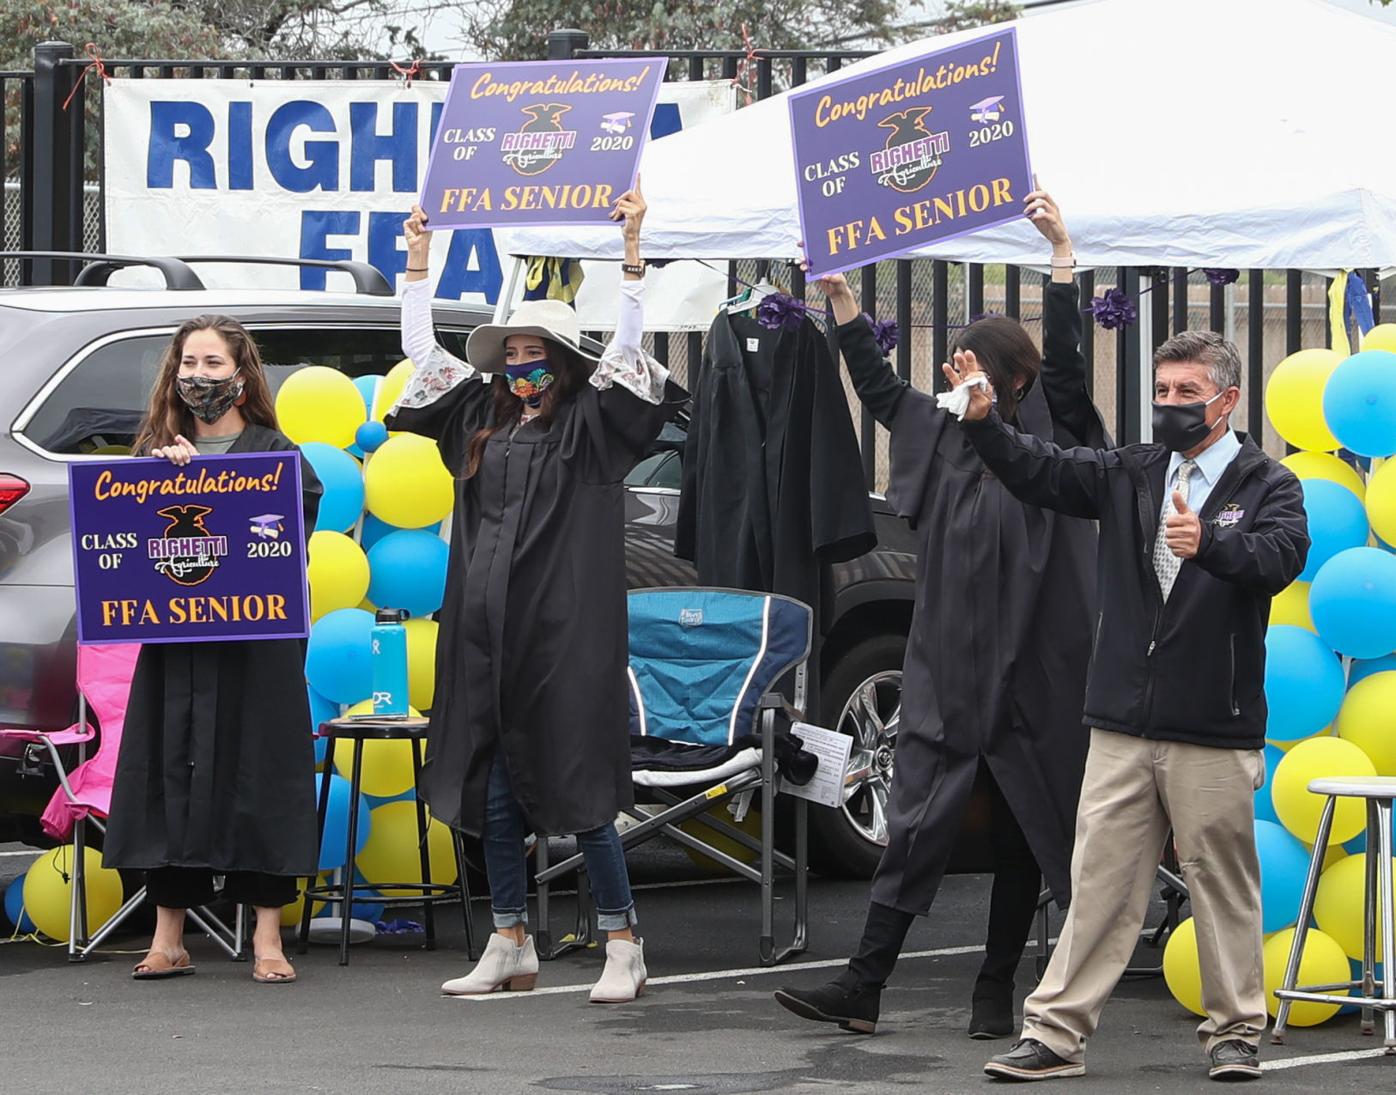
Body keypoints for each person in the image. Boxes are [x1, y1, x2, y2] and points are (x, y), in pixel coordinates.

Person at [774, 189, 1104, 1039]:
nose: (955, 380)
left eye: (972, 367)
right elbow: (880, 387)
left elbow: (1066, 368)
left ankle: (998, 988)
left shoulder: (1054, 433)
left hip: (1038, 659)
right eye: (950, 368)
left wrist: (1061, 261)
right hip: (950, 658)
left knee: (1030, 821)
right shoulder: (940, 433)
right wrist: (843, 299)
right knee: (916, 812)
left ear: (1013, 377)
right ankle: (864, 981)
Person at [956, 331, 1309, 1082]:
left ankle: (1235, 1031)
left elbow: (1280, 558)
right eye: (1162, 391)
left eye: (1187, 392)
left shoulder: (1268, 483)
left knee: (1222, 880)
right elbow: (1042, 471)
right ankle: (1054, 1033)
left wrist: (1209, 539)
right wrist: (987, 422)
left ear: (1228, 400)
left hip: (1212, 724)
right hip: (1121, 719)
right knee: (1099, 881)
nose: (1170, 405)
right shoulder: (1132, 470)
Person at [385, 186, 672, 1003]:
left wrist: (630, 256)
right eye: (508, 354)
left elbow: (627, 345)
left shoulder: (591, 426)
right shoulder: (478, 419)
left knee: (580, 782)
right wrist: (416, 262)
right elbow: (421, 353)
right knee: (496, 781)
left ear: (565, 360)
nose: (519, 367)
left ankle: (622, 939)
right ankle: (509, 935)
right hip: (482, 635)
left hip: (563, 633)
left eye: (534, 353)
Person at [104, 315, 323, 985]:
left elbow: (291, 528)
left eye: (213, 363)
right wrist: (165, 479)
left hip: (255, 646)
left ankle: (265, 935)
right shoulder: (153, 453)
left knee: (259, 773)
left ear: (241, 373)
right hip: (178, 647)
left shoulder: (275, 453)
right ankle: (169, 935)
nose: (198, 375)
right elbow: (126, 542)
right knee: (172, 771)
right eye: (188, 363)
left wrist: (212, 487)